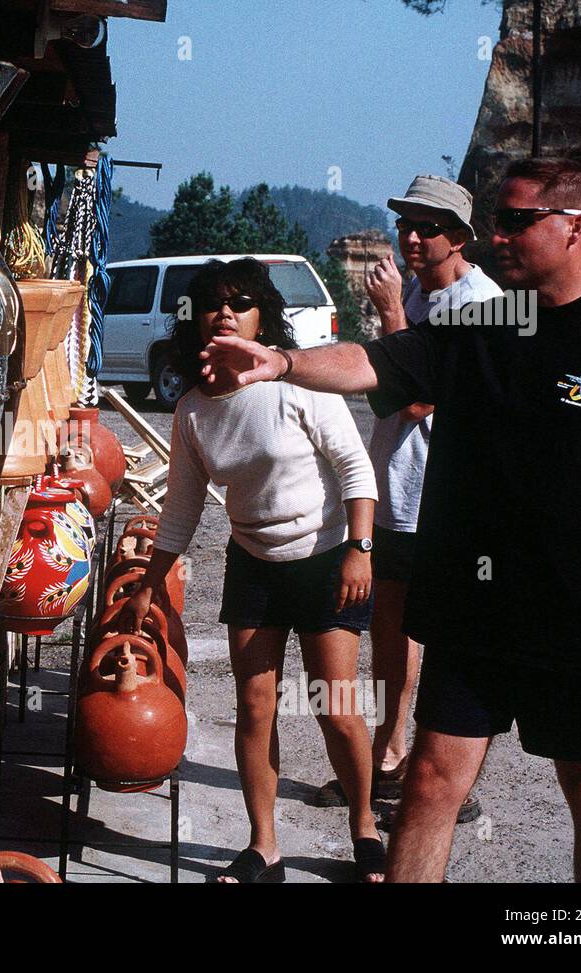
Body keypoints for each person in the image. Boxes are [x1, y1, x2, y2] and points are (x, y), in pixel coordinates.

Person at [198, 158, 581, 883]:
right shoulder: (484, 325)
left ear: (575, 228)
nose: (497, 235)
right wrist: (280, 362)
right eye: (498, 220)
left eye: (518, 220)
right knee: (428, 782)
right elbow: (370, 362)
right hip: (473, 612)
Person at [117, 257, 386, 883]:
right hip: (254, 566)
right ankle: (264, 847)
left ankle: (366, 829)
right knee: (256, 704)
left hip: (328, 563)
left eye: (240, 302)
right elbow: (180, 508)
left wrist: (360, 550)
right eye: (213, 303)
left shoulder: (298, 384)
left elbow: (355, 468)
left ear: (263, 316)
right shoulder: (190, 410)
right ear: (198, 319)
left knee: (336, 705)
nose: (225, 312)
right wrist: (150, 584)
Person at [315, 176, 501, 825]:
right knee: (391, 626)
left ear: (460, 237)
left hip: (446, 500)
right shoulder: (422, 290)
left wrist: (393, 314)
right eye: (404, 225)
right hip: (398, 491)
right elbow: (380, 395)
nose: (411, 237)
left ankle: (441, 776)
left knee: (438, 634)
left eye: (426, 227)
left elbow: (416, 395)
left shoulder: (482, 304)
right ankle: (390, 756)